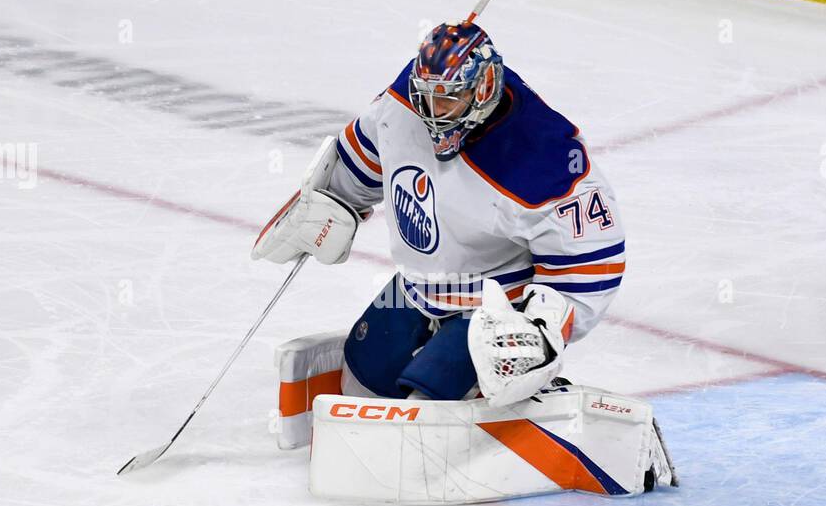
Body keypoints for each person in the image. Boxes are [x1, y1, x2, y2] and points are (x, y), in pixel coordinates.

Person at [253, 20, 624, 406]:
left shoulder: (541, 157)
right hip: (416, 287)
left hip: (493, 304)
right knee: (360, 385)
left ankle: (524, 402)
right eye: (427, 96)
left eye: (447, 99)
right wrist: (330, 201)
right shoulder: (403, 103)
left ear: (483, 89)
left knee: (423, 416)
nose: (433, 111)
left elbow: (592, 260)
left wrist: (539, 328)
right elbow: (363, 155)